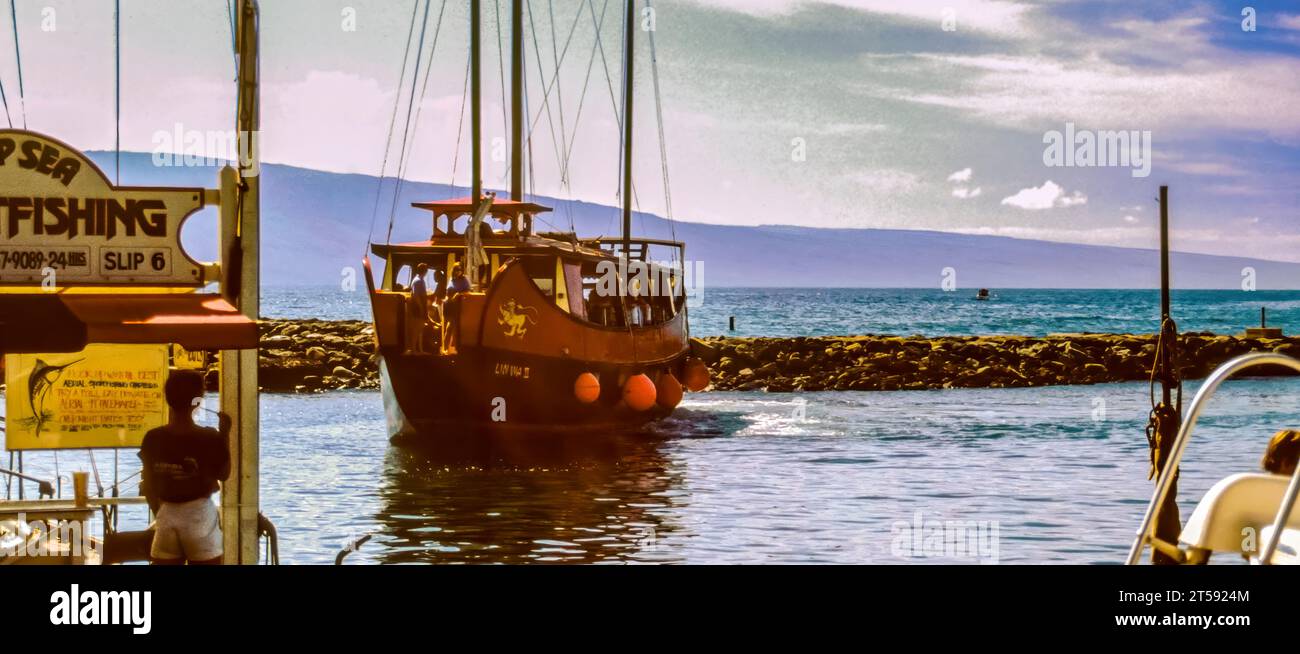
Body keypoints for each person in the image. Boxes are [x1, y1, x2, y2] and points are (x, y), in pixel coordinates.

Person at [138, 370, 231, 565]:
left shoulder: (153, 437)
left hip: (166, 515)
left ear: (168, 399)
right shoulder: (209, 437)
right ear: (197, 402)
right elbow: (224, 474)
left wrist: (160, 513)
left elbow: (148, 484)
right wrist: (224, 435)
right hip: (199, 516)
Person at [408, 263, 430, 353]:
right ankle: (414, 350)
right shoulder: (418, 281)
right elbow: (416, 296)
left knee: (420, 330)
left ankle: (420, 350)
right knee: (416, 330)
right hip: (418, 308)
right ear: (425, 271)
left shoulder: (418, 280)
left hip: (420, 307)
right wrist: (421, 308)